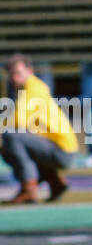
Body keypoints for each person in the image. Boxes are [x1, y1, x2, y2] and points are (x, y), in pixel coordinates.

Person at [2, 54, 78, 203]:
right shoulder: (31, 87)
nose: (14, 78)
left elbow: (19, 120)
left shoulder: (34, 88)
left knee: (11, 137)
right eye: (11, 74)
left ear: (29, 71)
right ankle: (55, 182)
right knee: (13, 144)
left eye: (18, 73)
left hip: (61, 151)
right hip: (56, 148)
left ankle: (29, 188)